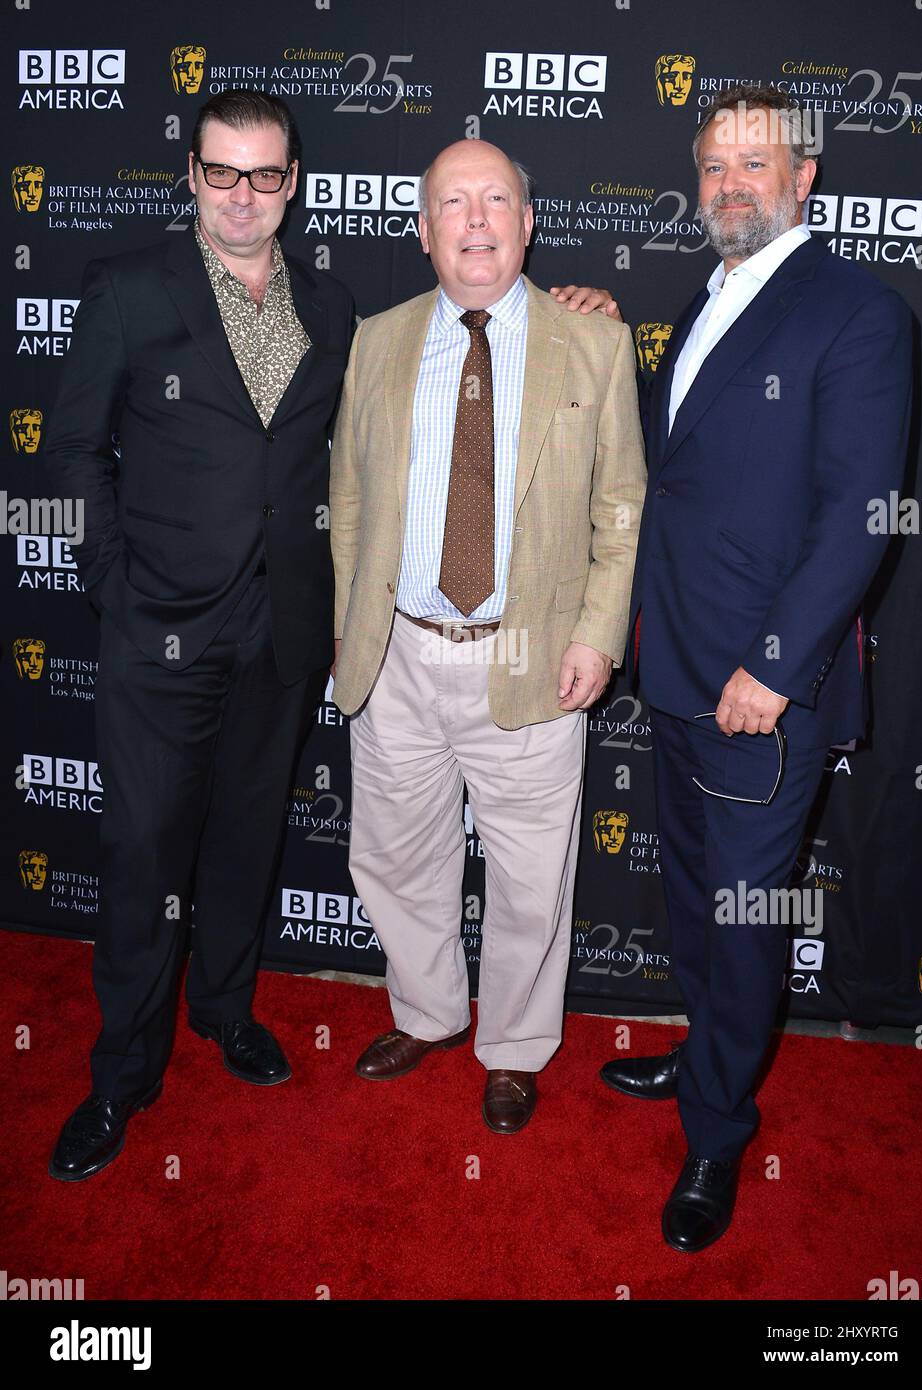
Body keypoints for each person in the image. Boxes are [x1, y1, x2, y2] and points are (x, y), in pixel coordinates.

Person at [602, 84, 913, 1251]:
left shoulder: (857, 311)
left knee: (740, 918)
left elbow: (860, 514)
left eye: (756, 165)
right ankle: (703, 1053)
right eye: (715, 167)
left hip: (760, 694)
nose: (732, 185)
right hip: (677, 668)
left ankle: (717, 1134)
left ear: (804, 179)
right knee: (696, 900)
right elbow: (689, 469)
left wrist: (776, 670)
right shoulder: (705, 301)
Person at [43, 91, 354, 1181]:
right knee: (141, 857)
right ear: (190, 176)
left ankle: (225, 1010)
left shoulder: (331, 305)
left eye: (265, 176)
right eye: (222, 173)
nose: (242, 197)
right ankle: (122, 1071)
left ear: (294, 184)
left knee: (244, 841)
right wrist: (114, 587)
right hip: (159, 632)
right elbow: (74, 451)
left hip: (282, 636)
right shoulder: (131, 289)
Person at [330, 138, 647, 1134]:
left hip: (527, 655)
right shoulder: (375, 339)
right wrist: (356, 635)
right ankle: (424, 1010)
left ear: (528, 221)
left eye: (496, 200)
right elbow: (345, 504)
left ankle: (512, 1046)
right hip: (400, 652)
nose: (476, 219)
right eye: (453, 204)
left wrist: (598, 635)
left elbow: (621, 507)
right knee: (395, 855)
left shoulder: (592, 343)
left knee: (529, 873)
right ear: (422, 231)